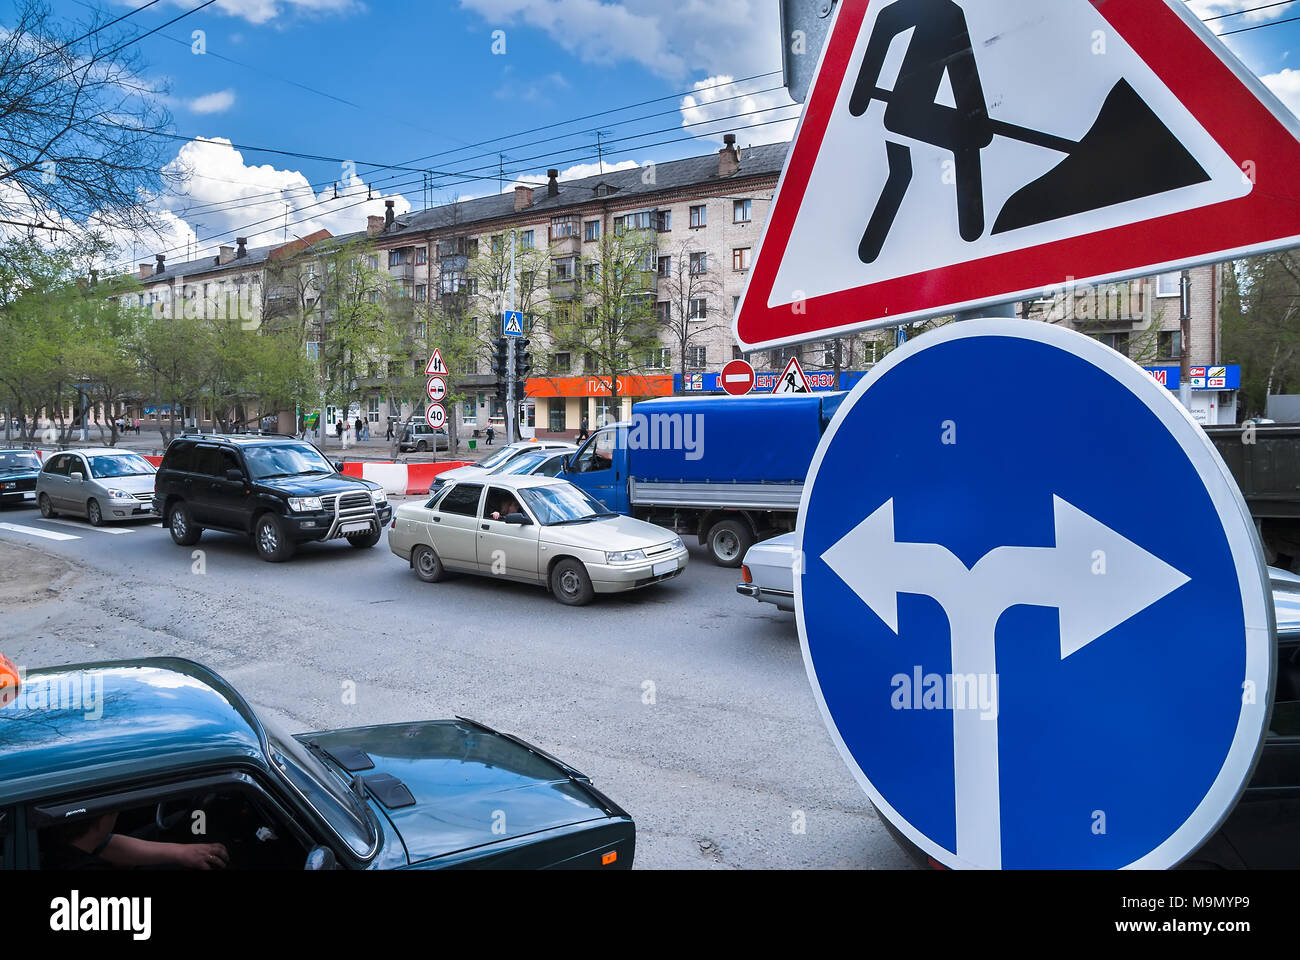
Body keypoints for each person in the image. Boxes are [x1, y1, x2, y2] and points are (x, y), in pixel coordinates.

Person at [40, 811, 230, 870]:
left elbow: (106, 845)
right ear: (100, 823)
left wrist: (182, 853)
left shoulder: (47, 838)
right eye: (113, 809)